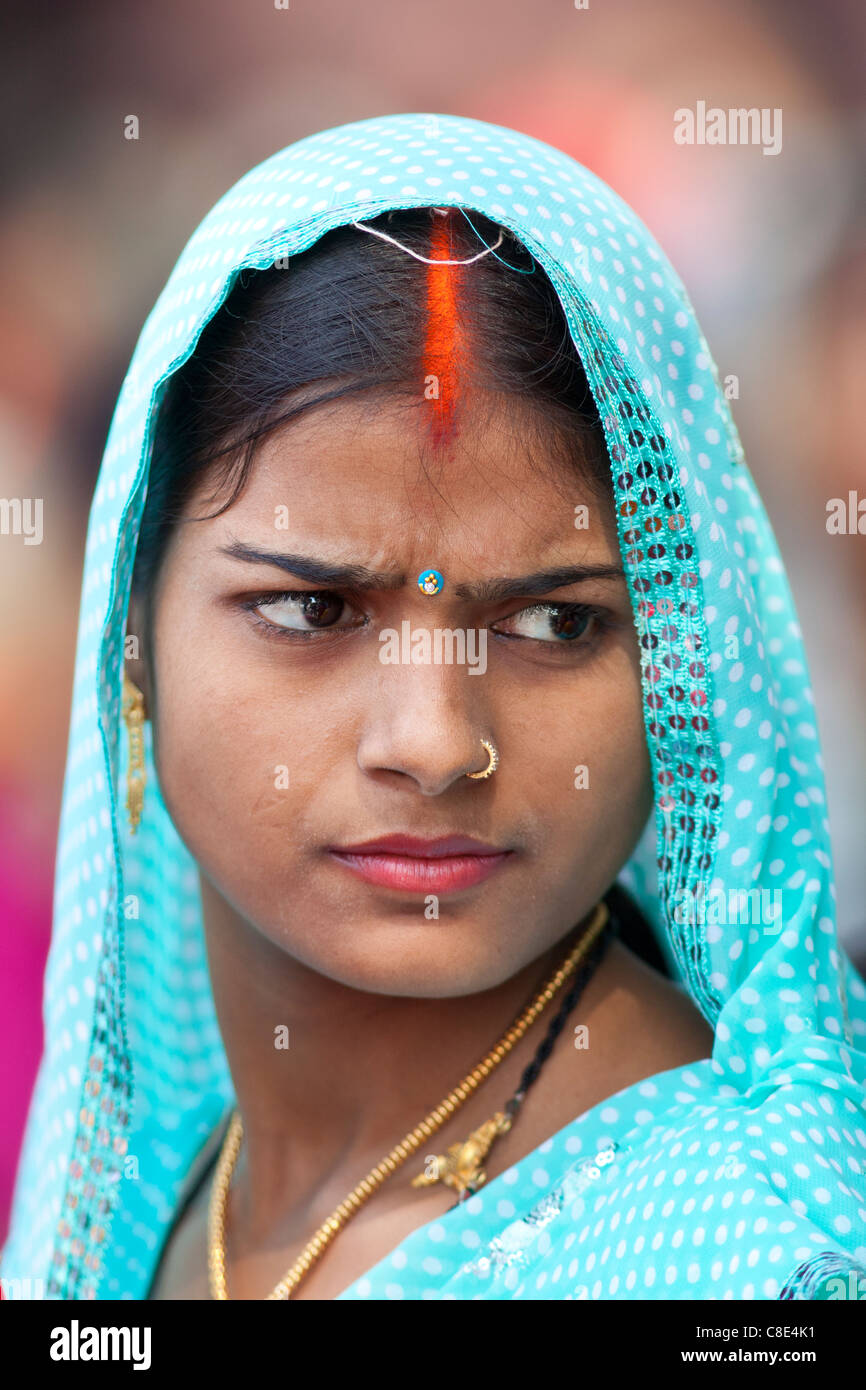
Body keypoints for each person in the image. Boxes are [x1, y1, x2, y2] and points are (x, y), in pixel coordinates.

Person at [2, 112, 864, 1303]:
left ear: (680, 661)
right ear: (130, 633)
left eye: (555, 623)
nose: (434, 743)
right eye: (311, 612)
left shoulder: (757, 1258)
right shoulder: (153, 1177)